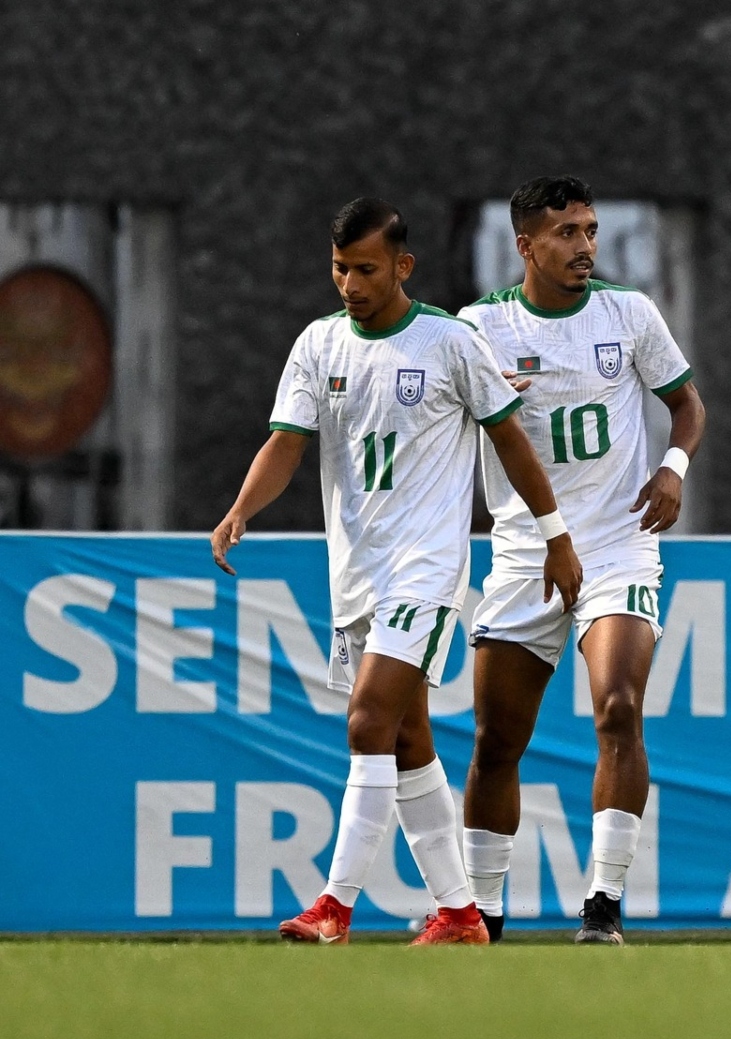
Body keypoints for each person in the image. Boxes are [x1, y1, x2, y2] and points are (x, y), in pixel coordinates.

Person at [211, 198, 581, 946]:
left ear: (402, 266)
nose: (350, 284)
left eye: (366, 270)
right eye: (340, 269)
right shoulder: (319, 344)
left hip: (426, 569)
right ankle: (461, 914)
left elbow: (511, 442)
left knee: (367, 721)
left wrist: (555, 537)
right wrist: (241, 509)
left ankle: (334, 906)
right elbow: (287, 442)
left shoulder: (449, 342)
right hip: (356, 575)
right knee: (408, 740)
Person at [458, 176, 706, 946]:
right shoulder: (479, 327)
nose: (585, 246)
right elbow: (441, 425)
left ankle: (603, 904)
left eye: (591, 230)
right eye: (567, 233)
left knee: (619, 708)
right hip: (524, 553)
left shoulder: (629, 313)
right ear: (525, 246)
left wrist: (672, 469)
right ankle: (482, 912)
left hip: (618, 545)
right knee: (497, 742)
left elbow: (688, 406)